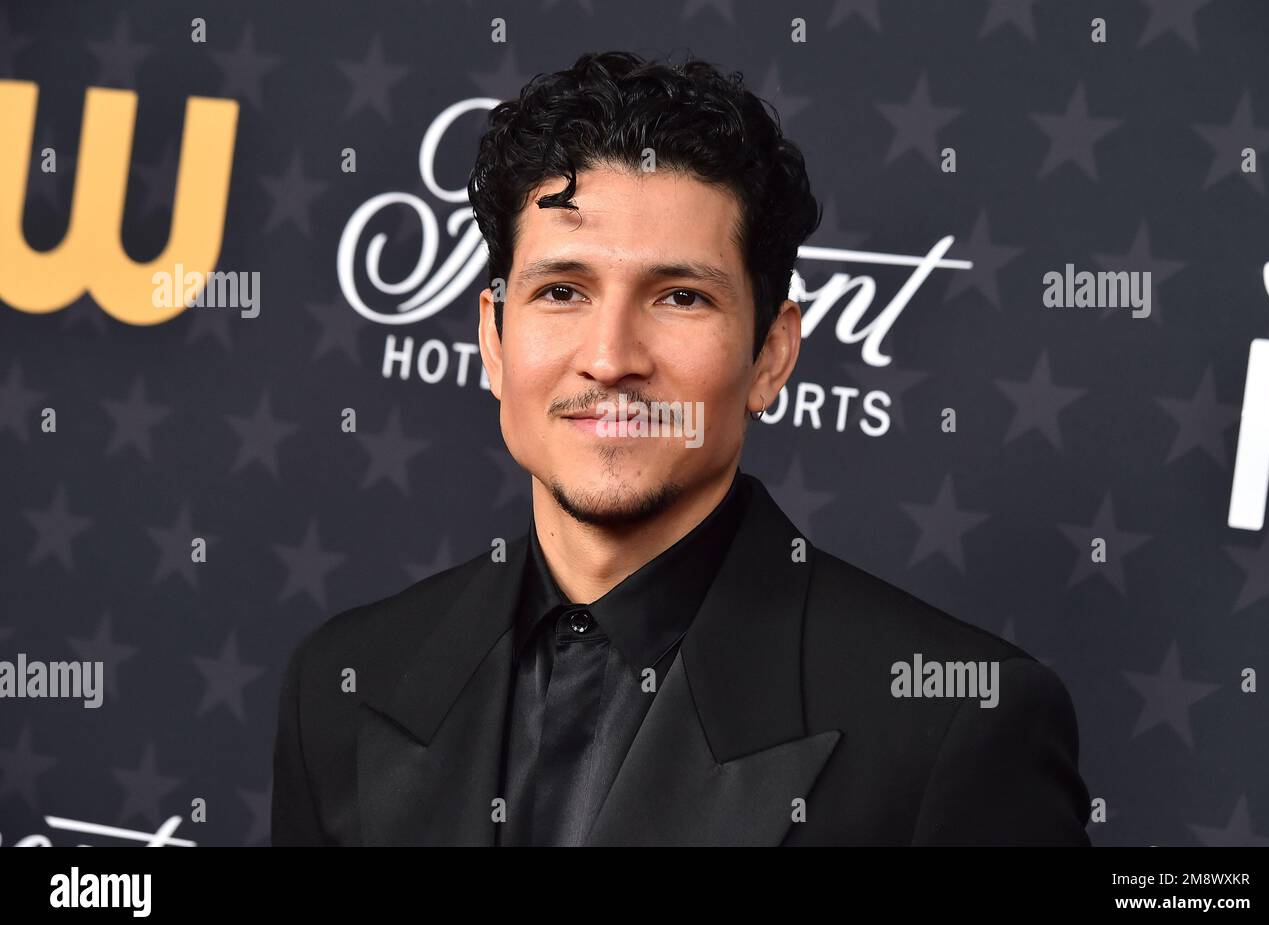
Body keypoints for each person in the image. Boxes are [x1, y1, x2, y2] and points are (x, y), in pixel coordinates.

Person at [271, 50, 1091, 846]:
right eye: (562, 291)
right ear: (491, 338)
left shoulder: (956, 727)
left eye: (679, 297)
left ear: (770, 354)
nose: (611, 355)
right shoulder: (343, 684)